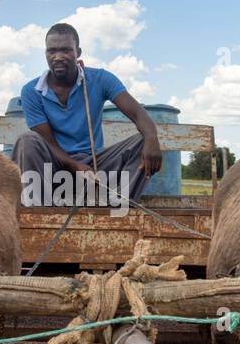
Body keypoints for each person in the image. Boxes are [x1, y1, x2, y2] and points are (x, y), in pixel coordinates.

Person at [12, 23, 162, 207]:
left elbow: (138, 113)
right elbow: (48, 142)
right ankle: (38, 213)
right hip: (54, 165)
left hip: (94, 166)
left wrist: (152, 138)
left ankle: (112, 210)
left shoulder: (100, 79)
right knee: (27, 141)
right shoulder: (31, 91)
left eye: (65, 50)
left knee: (142, 142)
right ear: (45, 53)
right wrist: (74, 166)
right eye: (51, 51)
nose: (58, 57)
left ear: (78, 52)